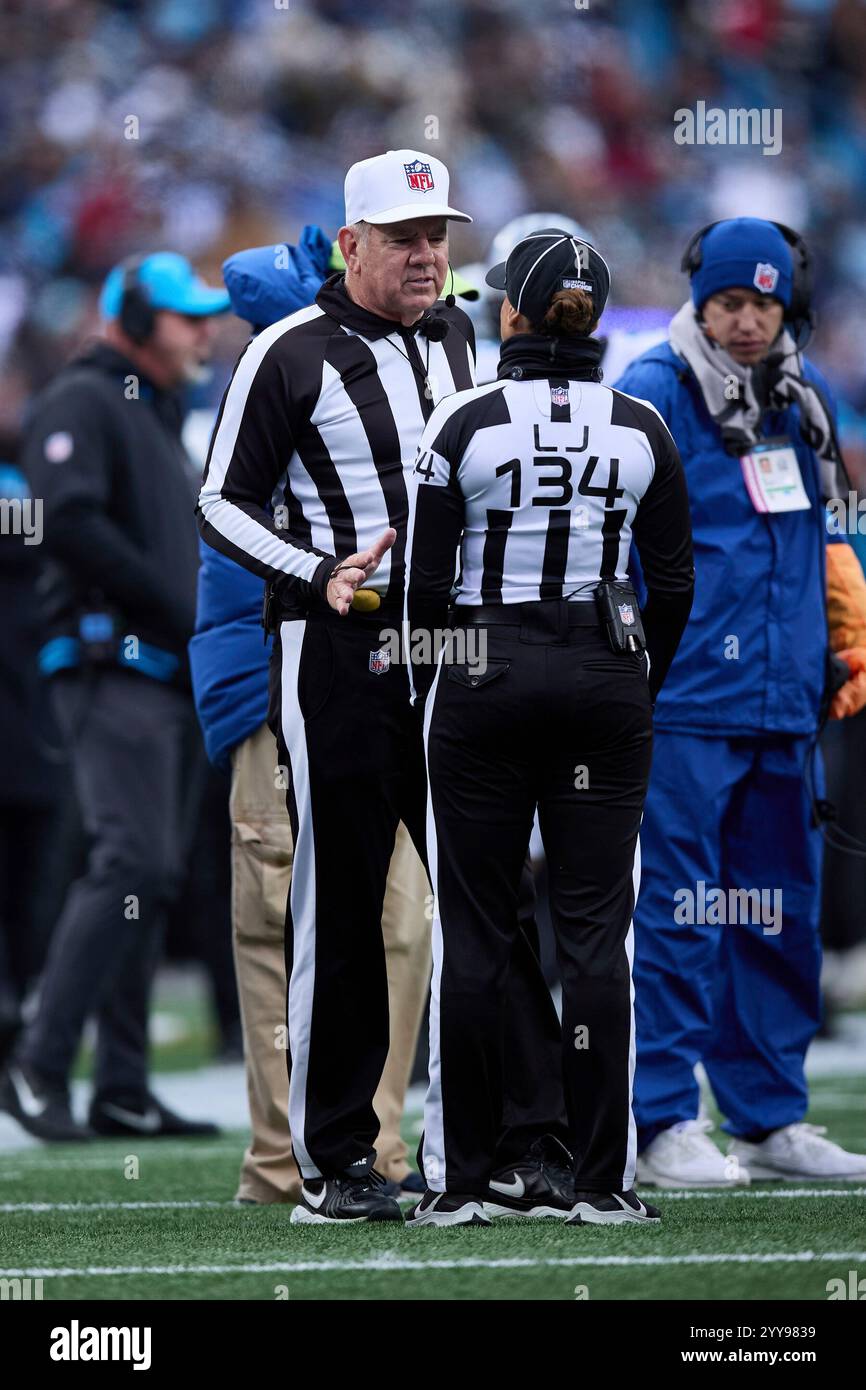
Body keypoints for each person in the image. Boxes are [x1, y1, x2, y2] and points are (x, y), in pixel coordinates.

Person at [198, 150, 571, 1224]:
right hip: (340, 655)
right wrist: (316, 572)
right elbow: (220, 504)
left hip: (455, 651)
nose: (426, 255)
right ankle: (335, 1157)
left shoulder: (461, 331)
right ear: (349, 242)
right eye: (403, 237)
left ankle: (512, 1144)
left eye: (438, 235)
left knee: (486, 892)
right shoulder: (287, 351)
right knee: (344, 902)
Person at [403, 228, 695, 1226]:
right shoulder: (641, 423)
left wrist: (436, 683)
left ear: (512, 314)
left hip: (483, 672)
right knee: (593, 940)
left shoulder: (460, 419)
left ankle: (463, 1181)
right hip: (603, 673)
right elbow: (673, 585)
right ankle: (601, 1183)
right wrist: (631, 680)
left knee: (475, 932)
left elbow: (422, 590)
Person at [614, 218, 866, 1185]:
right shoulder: (652, 390)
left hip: (786, 699)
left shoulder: (807, 392)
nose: (748, 321)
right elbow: (616, 546)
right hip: (683, 700)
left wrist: (842, 630)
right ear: (698, 300)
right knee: (679, 911)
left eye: (764, 303)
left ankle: (768, 1121)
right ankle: (663, 1120)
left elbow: (827, 531)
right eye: (729, 303)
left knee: (780, 912)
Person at [190, 227, 432, 1204]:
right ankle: (298, 1154)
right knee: (295, 918)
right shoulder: (284, 387)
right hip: (278, 681)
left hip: (315, 672)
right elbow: (231, 545)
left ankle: (344, 1143)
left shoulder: (361, 374)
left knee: (375, 917)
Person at [0, 253, 230, 1143]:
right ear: (132, 318)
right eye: (184, 317)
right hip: (112, 668)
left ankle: (124, 1086)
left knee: (155, 873)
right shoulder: (86, 399)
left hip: (161, 674)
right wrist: (178, 604)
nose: (202, 331)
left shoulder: (153, 410)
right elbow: (66, 516)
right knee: (131, 862)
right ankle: (39, 1062)